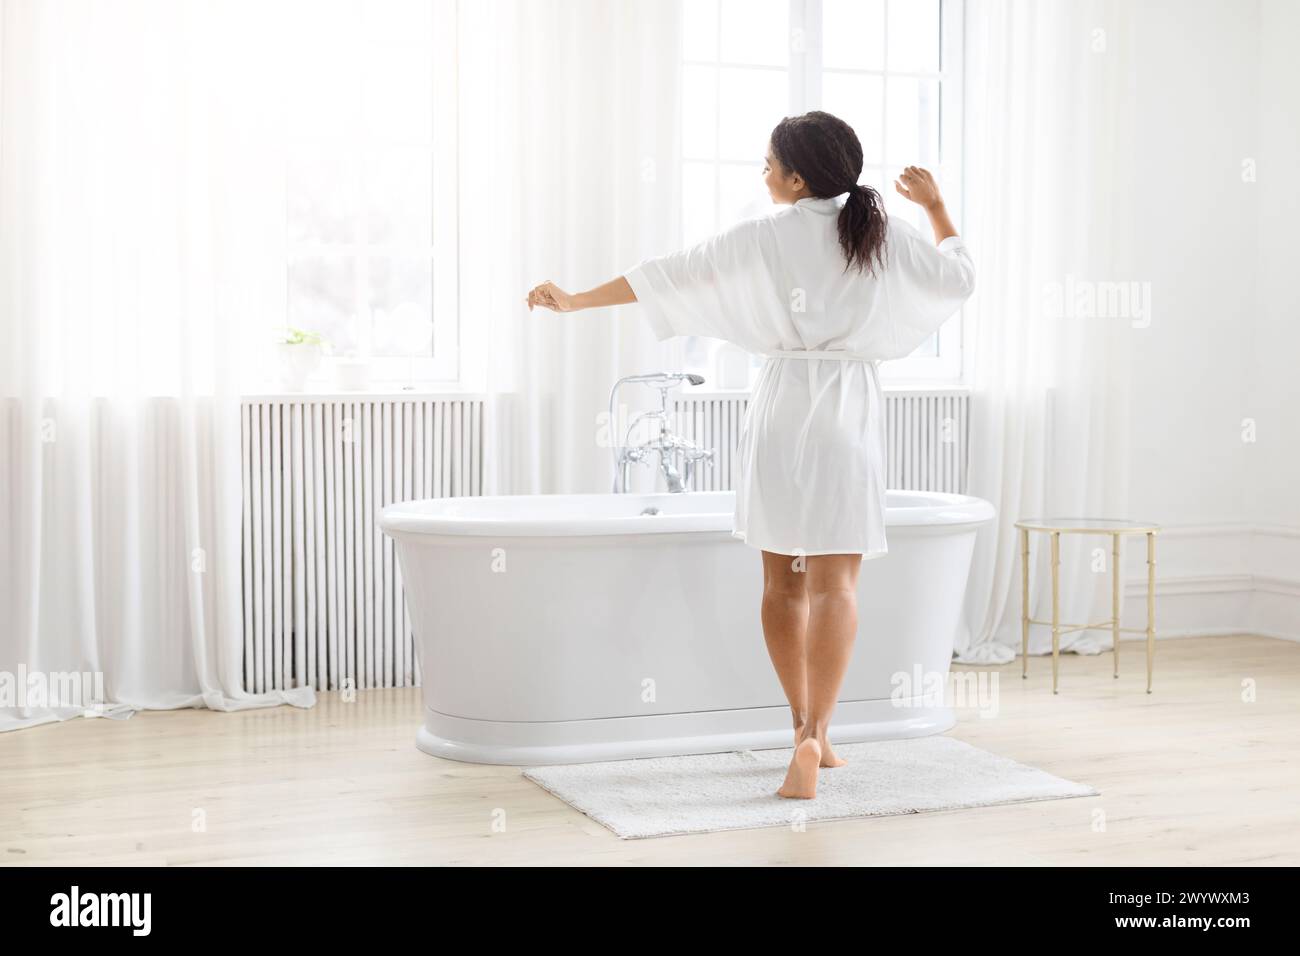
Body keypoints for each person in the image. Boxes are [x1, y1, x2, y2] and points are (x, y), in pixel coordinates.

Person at [526, 110, 975, 799]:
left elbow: (666, 275)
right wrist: (938, 207)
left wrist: (577, 299)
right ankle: (820, 735)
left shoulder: (762, 236)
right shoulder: (881, 231)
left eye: (768, 165)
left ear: (797, 178)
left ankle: (799, 728)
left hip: (779, 408)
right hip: (845, 414)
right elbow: (958, 278)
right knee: (836, 586)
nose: (762, 176)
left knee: (781, 584)